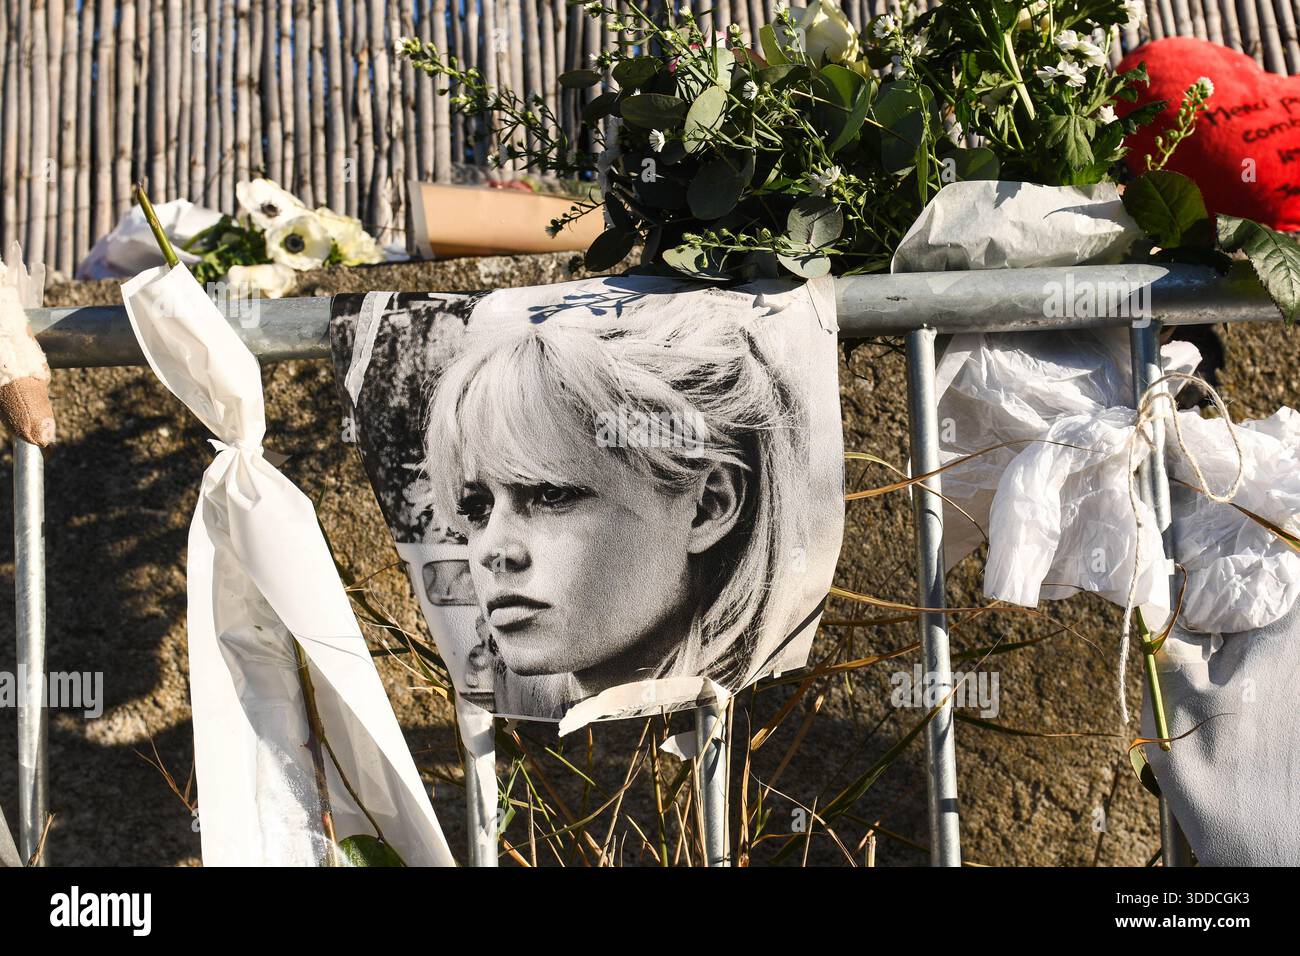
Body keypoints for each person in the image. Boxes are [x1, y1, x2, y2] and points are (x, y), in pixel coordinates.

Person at [422, 305, 809, 717]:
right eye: (477, 508)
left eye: (552, 494)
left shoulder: (780, 742)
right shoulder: (524, 745)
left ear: (708, 505)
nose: (492, 552)